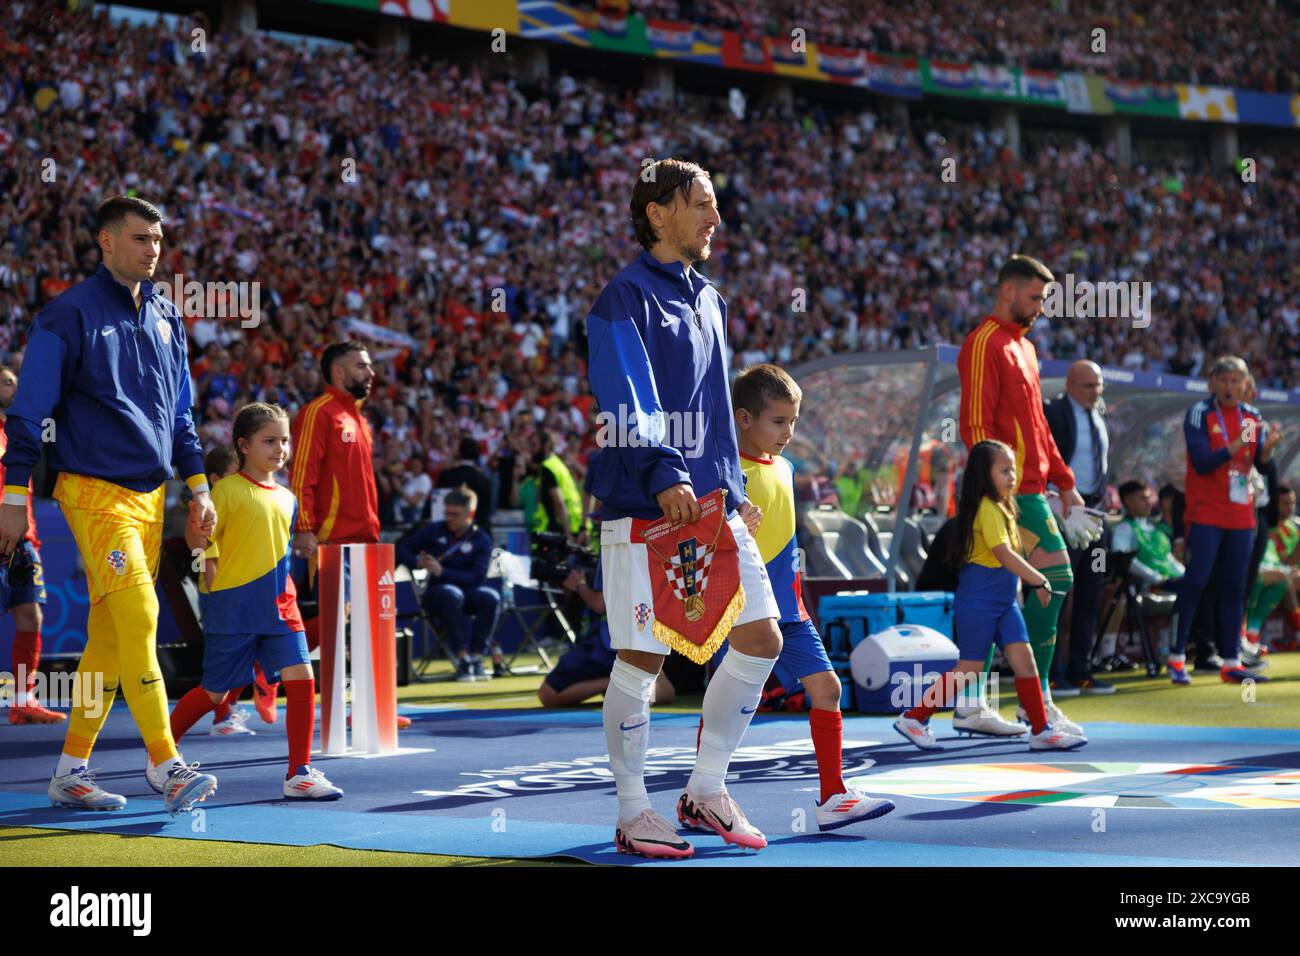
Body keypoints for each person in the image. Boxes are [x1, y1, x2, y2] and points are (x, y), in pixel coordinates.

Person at [585, 157, 781, 858]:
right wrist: (666, 467)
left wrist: (733, 482)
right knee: (642, 658)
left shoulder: (711, 298)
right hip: (647, 502)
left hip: (711, 504)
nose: (715, 217)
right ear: (658, 213)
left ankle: (705, 792)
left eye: (715, 204)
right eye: (701, 203)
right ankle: (633, 811)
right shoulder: (622, 297)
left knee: (762, 637)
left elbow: (714, 407)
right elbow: (624, 391)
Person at [0, 195, 217, 814]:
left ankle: (70, 771)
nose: (153, 249)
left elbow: (182, 417)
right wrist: (15, 496)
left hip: (152, 497)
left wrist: (199, 491)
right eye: (141, 238)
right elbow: (27, 412)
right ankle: (166, 765)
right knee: (143, 615)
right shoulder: (65, 315)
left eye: (158, 238)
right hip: (92, 492)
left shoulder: (170, 318)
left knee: (108, 638)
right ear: (105, 241)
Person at [729, 364, 895, 830]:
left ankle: (833, 796)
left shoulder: (784, 467)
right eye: (778, 421)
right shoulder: (725, 472)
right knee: (730, 706)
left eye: (794, 421)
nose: (788, 432)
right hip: (741, 610)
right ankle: (703, 794)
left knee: (828, 689)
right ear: (744, 418)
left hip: (790, 608)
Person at [157, 403, 342, 799]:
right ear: (243, 445)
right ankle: (161, 751)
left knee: (303, 679)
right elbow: (197, 541)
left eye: (285, 441)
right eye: (269, 441)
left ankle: (300, 773)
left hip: (281, 606)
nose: (280, 449)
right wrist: (198, 540)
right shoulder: (223, 491)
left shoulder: (288, 498)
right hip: (233, 608)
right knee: (215, 694)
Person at [957, 254, 1087, 737]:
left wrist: (1065, 478)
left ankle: (974, 704)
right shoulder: (983, 342)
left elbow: (1038, 426)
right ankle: (1039, 702)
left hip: (1031, 485)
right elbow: (975, 424)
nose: (1039, 308)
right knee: (1054, 576)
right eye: (1035, 298)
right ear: (1008, 291)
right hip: (1008, 492)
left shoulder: (1026, 349)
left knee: (1002, 596)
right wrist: (994, 495)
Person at [893, 440, 1087, 752]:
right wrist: (1038, 579)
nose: (1012, 476)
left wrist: (1021, 589)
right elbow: (1003, 552)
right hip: (980, 602)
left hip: (1004, 602)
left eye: (1014, 470)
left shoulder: (1004, 507)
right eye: (1005, 470)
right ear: (985, 474)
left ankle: (1041, 730)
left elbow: (1011, 554)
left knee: (1026, 663)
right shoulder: (987, 508)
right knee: (968, 668)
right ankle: (914, 718)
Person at [288, 340, 410, 728]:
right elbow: (302, 471)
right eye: (362, 366)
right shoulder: (318, 413)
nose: (370, 373)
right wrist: (305, 527)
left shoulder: (358, 419)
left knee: (370, 622)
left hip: (367, 540)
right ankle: (266, 668)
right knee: (337, 624)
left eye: (370, 366)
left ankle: (370, 708)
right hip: (330, 540)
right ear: (338, 372)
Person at [1168, 355, 1281, 685]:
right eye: (1224, 381)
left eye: (1236, 381)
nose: (1230, 387)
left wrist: (1269, 450)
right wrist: (1235, 445)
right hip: (1206, 512)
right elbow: (1201, 462)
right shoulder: (1200, 414)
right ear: (1212, 383)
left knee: (1235, 588)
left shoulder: (1251, 416)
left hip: (1241, 514)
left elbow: (1257, 464)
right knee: (1197, 581)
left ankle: (1231, 661)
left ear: (1246, 385)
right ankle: (1176, 657)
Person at [1043, 360, 1114, 694]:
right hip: (1066, 513)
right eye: (1089, 386)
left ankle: (1081, 668)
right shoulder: (1055, 414)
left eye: (1099, 385)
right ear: (1070, 385)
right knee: (1058, 591)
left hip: (1096, 517)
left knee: (1090, 591)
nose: (1095, 391)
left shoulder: (1098, 416)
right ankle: (1052, 672)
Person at [196, 445, 274, 735]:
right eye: (234, 474)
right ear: (216, 480)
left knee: (245, 654)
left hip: (238, 590)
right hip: (220, 593)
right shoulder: (214, 507)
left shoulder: (233, 501)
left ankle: (226, 712)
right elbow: (208, 557)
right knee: (223, 657)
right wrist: (219, 597)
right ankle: (221, 717)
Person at [0, 364, 62, 724]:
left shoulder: (17, 432)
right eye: (7, 382)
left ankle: (23, 701)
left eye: (15, 382)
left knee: (30, 615)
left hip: (24, 538)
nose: (14, 387)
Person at [395, 487, 500, 682]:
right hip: (436, 594)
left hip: (468, 593)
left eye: (455, 514)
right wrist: (417, 562)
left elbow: (477, 578)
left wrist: (443, 571)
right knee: (451, 594)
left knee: (490, 597)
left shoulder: (482, 539)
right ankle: (462, 660)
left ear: (470, 514)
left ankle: (476, 658)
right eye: (447, 513)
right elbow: (401, 548)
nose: (449, 518)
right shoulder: (434, 530)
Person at [538, 565, 676, 707]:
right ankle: (637, 683)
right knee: (656, 684)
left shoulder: (613, 548)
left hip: (609, 643)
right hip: (641, 636)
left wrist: (579, 585)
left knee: (548, 694)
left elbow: (599, 604)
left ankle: (624, 684)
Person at [1245, 486, 1300, 650]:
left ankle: (1253, 632)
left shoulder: (1291, 528)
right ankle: (1249, 633)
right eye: (1284, 503)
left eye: (1292, 503)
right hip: (1262, 571)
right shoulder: (1265, 529)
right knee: (1284, 580)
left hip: (1282, 571)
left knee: (1285, 579)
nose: (1289, 507)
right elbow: (1284, 562)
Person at [1111, 480, 1186, 592]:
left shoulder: (1155, 529)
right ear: (1129, 501)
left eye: (1148, 498)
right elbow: (1125, 561)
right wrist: (1158, 579)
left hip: (1174, 582)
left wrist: (1186, 576)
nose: (1149, 503)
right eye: (1143, 498)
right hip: (1151, 588)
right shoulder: (1124, 529)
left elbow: (1167, 558)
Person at [437, 436, 494, 533]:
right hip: (476, 531)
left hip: (449, 531)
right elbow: (486, 510)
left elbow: (438, 505)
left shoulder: (446, 475)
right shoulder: (483, 479)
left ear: (459, 453)